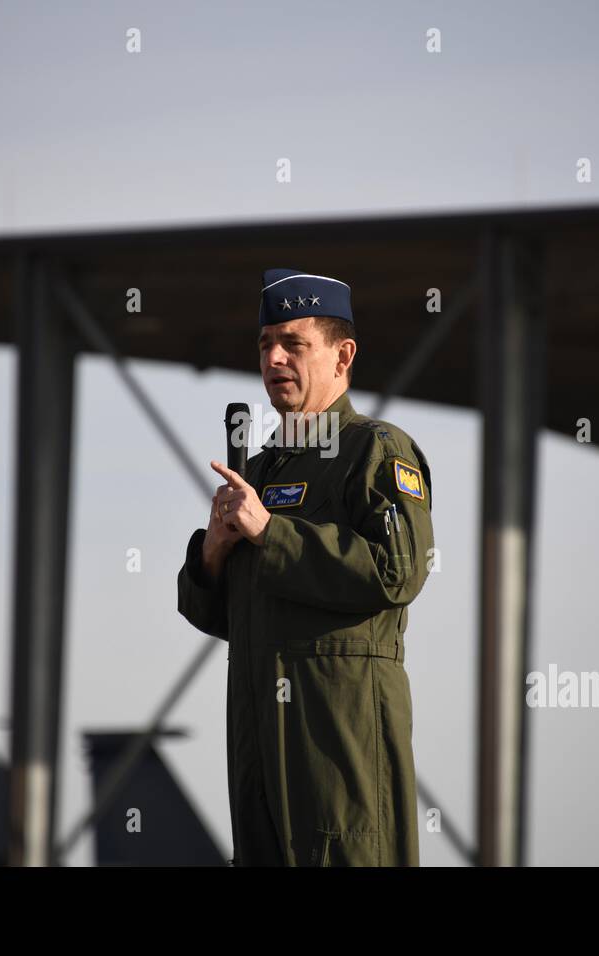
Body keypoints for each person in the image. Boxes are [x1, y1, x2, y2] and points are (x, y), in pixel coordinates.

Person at [177, 268, 435, 866]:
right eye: (266, 344)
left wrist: (271, 532)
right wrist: (214, 552)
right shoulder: (260, 471)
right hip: (257, 747)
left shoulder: (375, 450)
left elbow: (399, 572)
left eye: (294, 343)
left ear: (343, 355)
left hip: (338, 745)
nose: (274, 358)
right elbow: (220, 611)